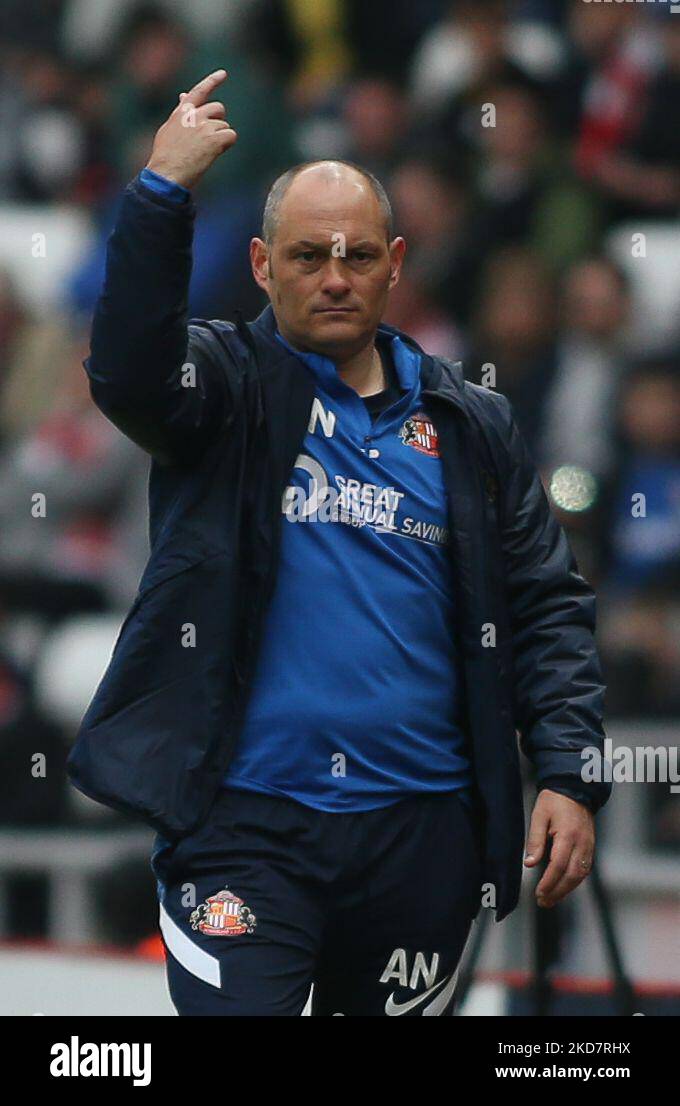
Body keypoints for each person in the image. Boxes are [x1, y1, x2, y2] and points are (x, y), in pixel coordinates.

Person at [67, 70, 610, 1016]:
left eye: (358, 254)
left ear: (395, 262)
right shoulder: (223, 389)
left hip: (423, 839)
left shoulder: (472, 422)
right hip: (245, 833)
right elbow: (126, 371)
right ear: (261, 265)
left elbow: (547, 601)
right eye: (307, 254)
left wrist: (567, 769)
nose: (333, 275)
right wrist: (160, 192)